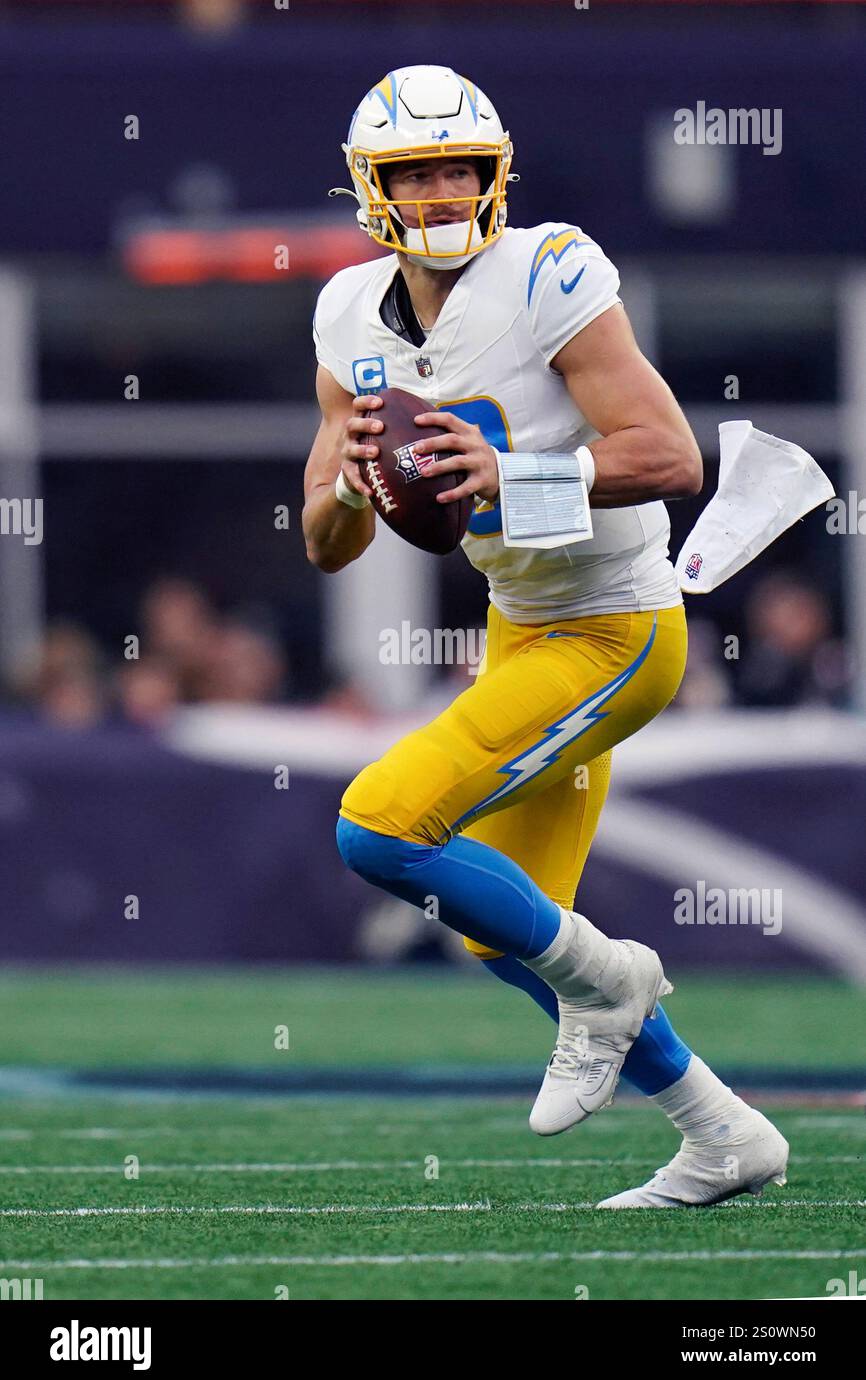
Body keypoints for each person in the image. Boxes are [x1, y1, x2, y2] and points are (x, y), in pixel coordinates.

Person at [302, 66, 788, 1208]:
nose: (440, 190)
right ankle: (719, 1132)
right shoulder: (343, 313)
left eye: (459, 167)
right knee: (494, 927)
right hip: (517, 628)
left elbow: (668, 455)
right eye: (415, 172)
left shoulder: (547, 270)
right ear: (372, 189)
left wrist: (517, 470)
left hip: (617, 625)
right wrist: (354, 491)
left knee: (378, 826)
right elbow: (323, 539)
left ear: (494, 172)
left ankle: (607, 980)